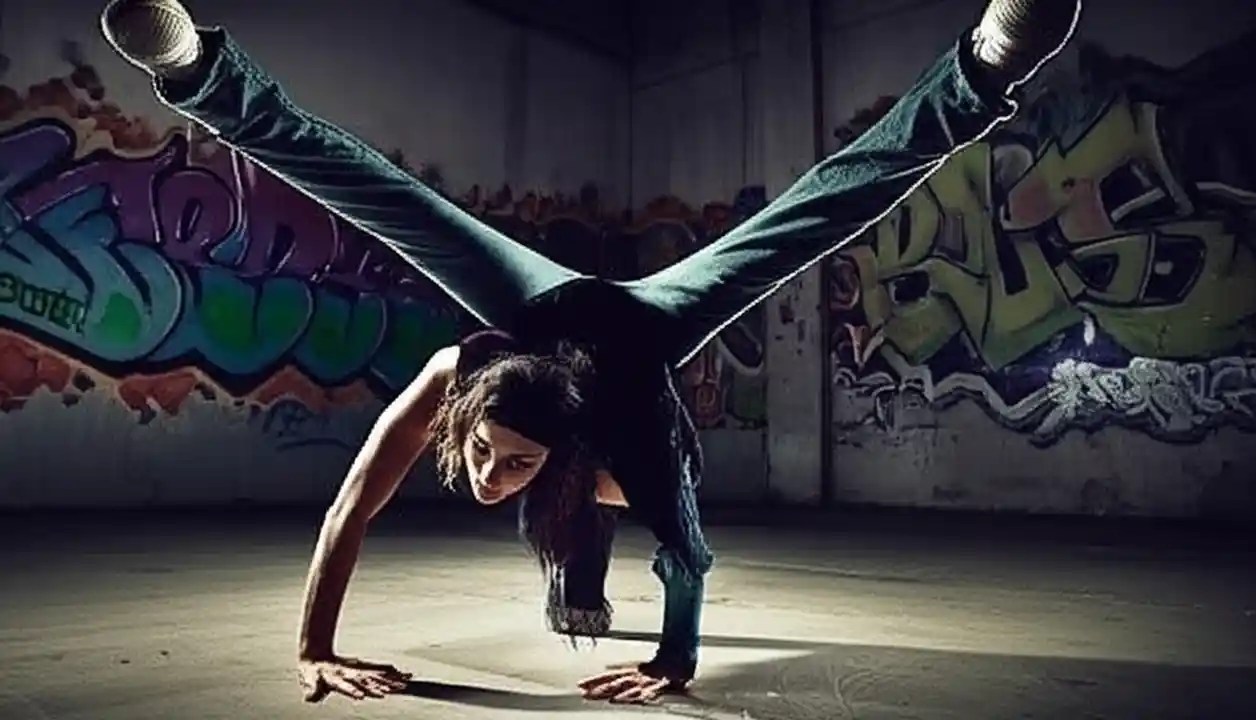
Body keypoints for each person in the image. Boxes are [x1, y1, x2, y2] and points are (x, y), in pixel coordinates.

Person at [100, 0, 1081, 705]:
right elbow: (353, 505)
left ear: (564, 446)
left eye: (514, 465)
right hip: (539, 307)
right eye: (485, 453)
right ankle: (199, 73)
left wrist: (675, 663)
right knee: (395, 204)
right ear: (467, 409)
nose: (488, 478)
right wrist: (313, 647)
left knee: (800, 223)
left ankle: (984, 66)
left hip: (643, 341)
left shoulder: (628, 441)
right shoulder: (457, 377)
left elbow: (688, 556)